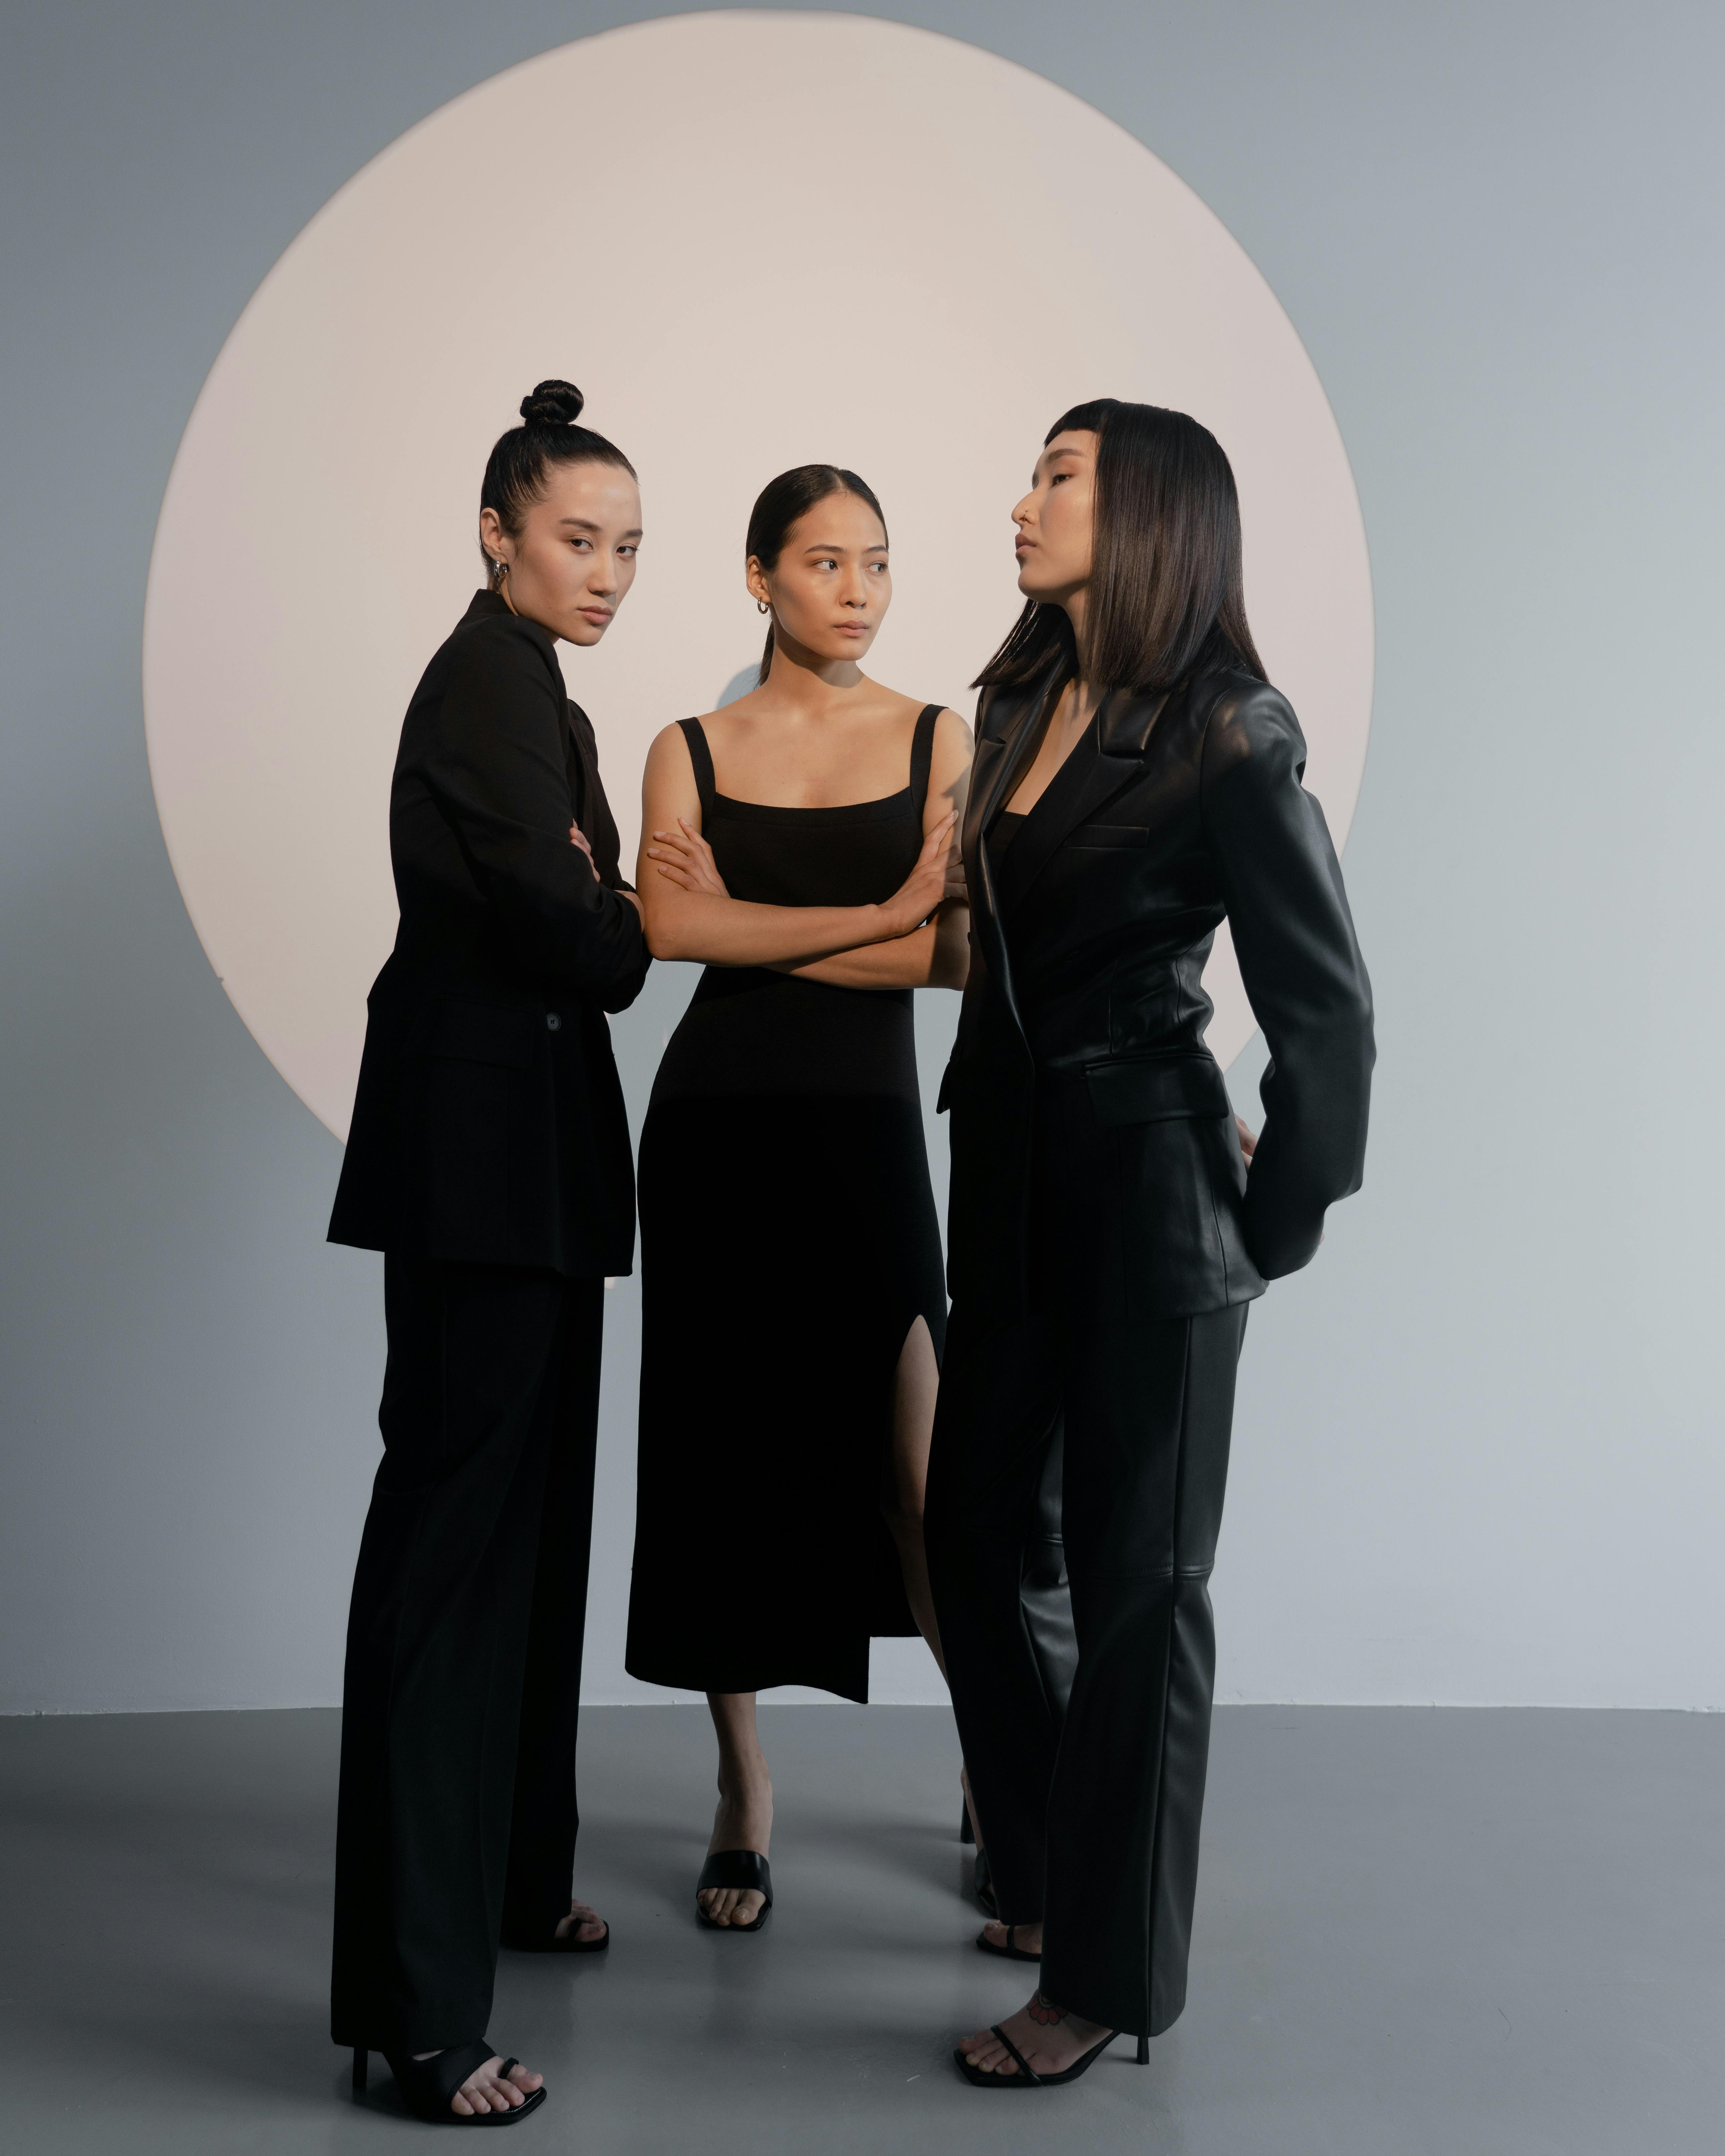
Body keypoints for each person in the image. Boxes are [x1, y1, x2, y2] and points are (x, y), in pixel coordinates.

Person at [928, 400, 1375, 2087]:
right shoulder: (1019, 697)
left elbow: (1327, 1016)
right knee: (973, 1540)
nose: (1024, 501)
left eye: (1060, 476)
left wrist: (1263, 1230)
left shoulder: (1230, 729)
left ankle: (1105, 1981)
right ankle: (1052, 1870)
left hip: (1152, 1206)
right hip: (1010, 1196)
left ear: (1152, 517)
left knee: (1141, 1598)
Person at [326, 381, 649, 2123]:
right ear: (496, 533)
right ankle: (416, 2014)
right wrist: (612, 901)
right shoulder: (485, 687)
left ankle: (517, 1880)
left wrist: (605, 897)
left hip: (531, 1167)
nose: (605, 572)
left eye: (627, 548)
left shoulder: (540, 692)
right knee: (452, 1570)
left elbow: (593, 911)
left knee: (531, 1542)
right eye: (577, 539)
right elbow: (581, 931)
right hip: (476, 1172)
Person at [623, 464, 967, 1932]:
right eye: (826, 562)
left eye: (877, 561)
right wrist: (883, 910)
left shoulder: (942, 736)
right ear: (760, 577)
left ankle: (998, 1758)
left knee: (926, 1480)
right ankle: (743, 1788)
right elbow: (663, 927)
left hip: (866, 1134)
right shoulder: (689, 747)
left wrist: (751, 924)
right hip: (717, 1135)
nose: (859, 590)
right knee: (721, 1465)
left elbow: (957, 958)